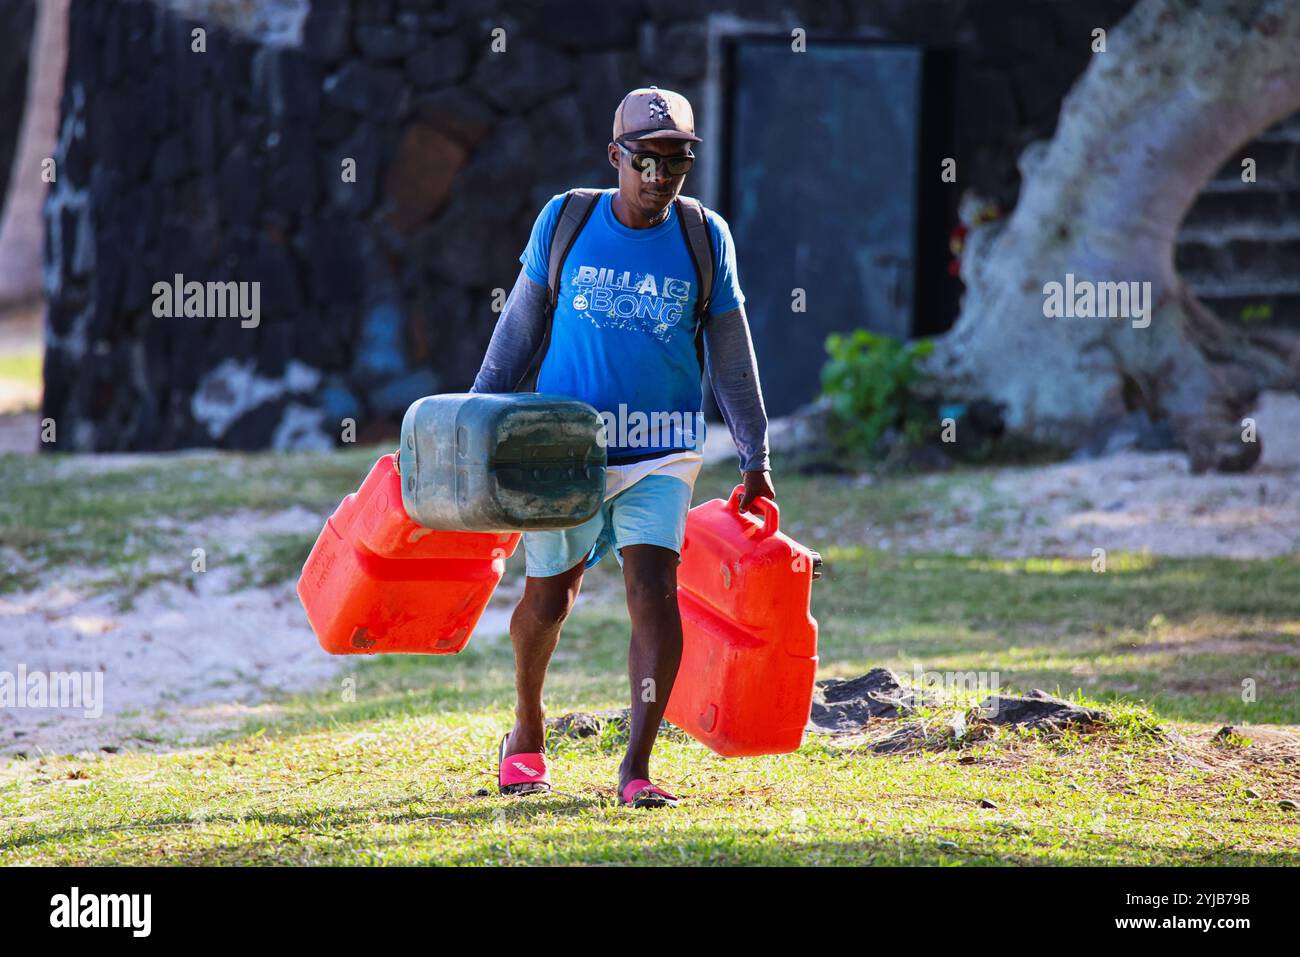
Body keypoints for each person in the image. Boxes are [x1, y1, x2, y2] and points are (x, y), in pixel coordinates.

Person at [470, 86, 771, 809]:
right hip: (564, 445)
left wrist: (756, 457)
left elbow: (730, 352)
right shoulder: (567, 219)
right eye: (645, 160)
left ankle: (635, 766)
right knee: (550, 596)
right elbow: (517, 330)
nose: (660, 176)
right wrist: (473, 421)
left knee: (653, 592)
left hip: (661, 447)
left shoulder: (704, 236)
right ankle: (528, 730)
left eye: (677, 161)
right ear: (616, 156)